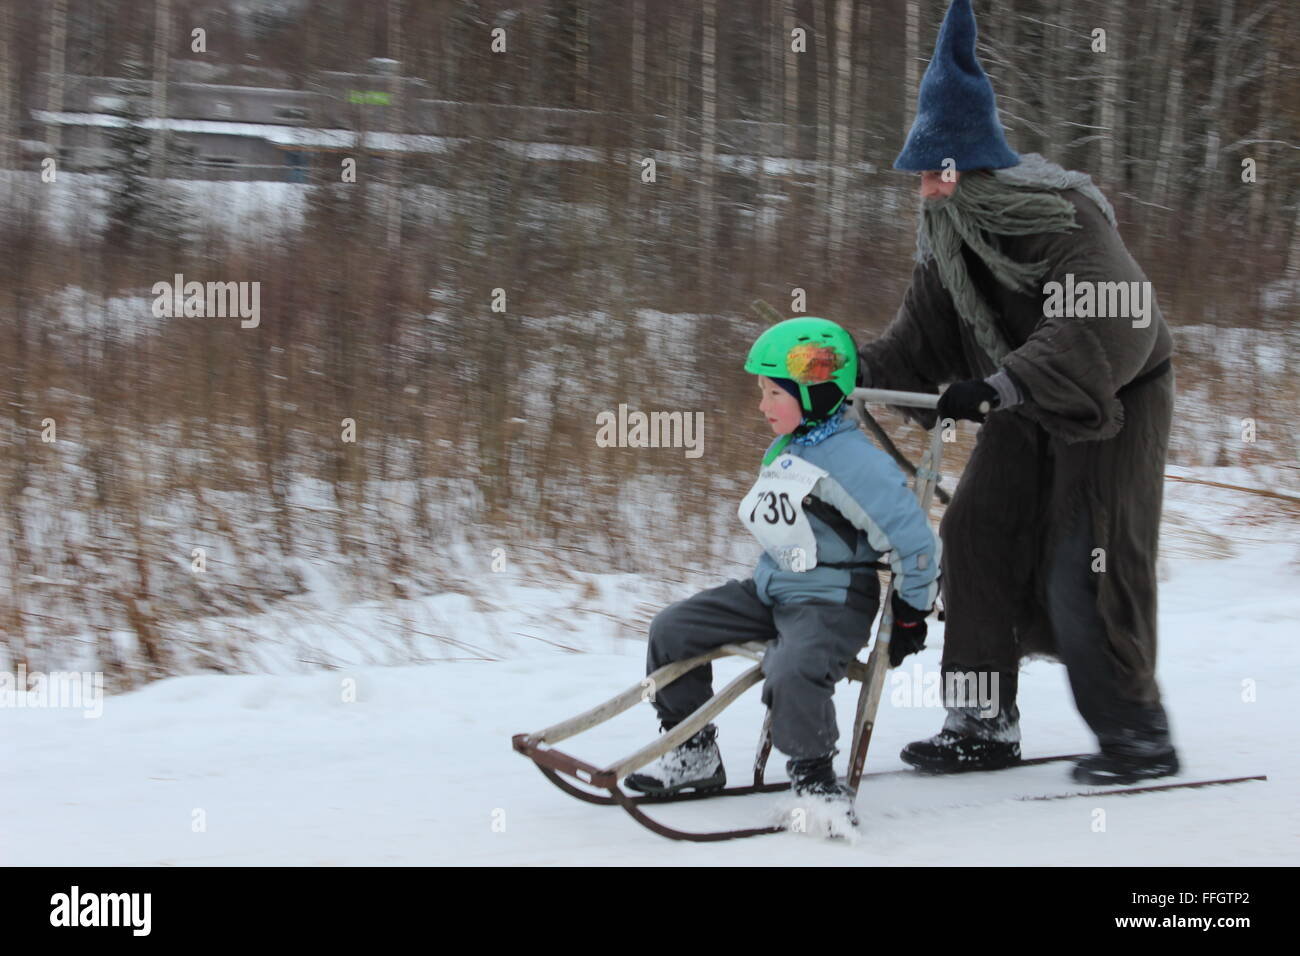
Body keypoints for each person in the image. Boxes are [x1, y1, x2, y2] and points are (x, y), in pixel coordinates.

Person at [860, 0, 1178, 785]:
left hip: (1109, 399)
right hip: (1019, 397)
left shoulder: (1062, 219)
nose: (927, 191)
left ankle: (1138, 734)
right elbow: (919, 346)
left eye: (938, 174)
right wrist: (836, 374)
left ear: (974, 167)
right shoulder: (949, 241)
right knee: (975, 536)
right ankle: (982, 720)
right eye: (920, 176)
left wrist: (999, 386)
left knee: (1085, 557)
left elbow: (1107, 321)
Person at [624, 317, 941, 821]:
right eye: (762, 391)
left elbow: (914, 542)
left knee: (792, 667)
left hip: (831, 601)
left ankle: (815, 780)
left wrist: (909, 613)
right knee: (673, 628)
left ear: (815, 395)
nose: (762, 405)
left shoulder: (853, 461)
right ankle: (694, 751)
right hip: (775, 588)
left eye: (774, 393)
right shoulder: (795, 445)